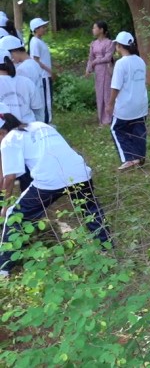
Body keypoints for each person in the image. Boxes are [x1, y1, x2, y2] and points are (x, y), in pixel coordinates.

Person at [0, 107, 111, 277]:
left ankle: (3, 267)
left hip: (49, 180)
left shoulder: (9, 139)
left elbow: (9, 178)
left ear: (3, 131)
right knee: (90, 209)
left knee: (15, 215)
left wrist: (5, 206)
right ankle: (107, 248)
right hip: (80, 172)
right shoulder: (40, 125)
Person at [106, 31, 148, 171]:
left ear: (119, 46)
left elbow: (116, 86)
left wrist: (110, 104)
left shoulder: (121, 63)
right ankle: (140, 157)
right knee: (138, 130)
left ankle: (128, 158)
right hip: (141, 104)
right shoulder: (140, 60)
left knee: (116, 129)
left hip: (126, 106)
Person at [0, 36, 44, 121]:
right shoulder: (27, 78)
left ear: (14, 51)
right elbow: (37, 108)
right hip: (28, 125)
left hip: (6, 130)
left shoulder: (23, 69)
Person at [85, 21, 115, 125]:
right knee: (99, 93)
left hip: (106, 69)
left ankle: (109, 118)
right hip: (97, 71)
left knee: (107, 93)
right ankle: (101, 118)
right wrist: (88, 69)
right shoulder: (94, 44)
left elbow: (108, 57)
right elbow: (90, 58)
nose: (93, 30)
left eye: (95, 28)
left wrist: (95, 62)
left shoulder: (109, 43)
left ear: (101, 30)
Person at [0, 49, 36, 123]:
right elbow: (37, 107)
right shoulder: (27, 81)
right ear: (11, 62)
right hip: (27, 127)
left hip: (4, 131)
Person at [28, 18, 53, 123]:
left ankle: (46, 121)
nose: (44, 29)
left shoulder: (39, 41)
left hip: (46, 74)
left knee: (48, 99)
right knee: (46, 100)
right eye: (42, 27)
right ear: (36, 29)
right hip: (43, 75)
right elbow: (36, 60)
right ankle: (47, 122)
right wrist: (50, 71)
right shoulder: (35, 42)